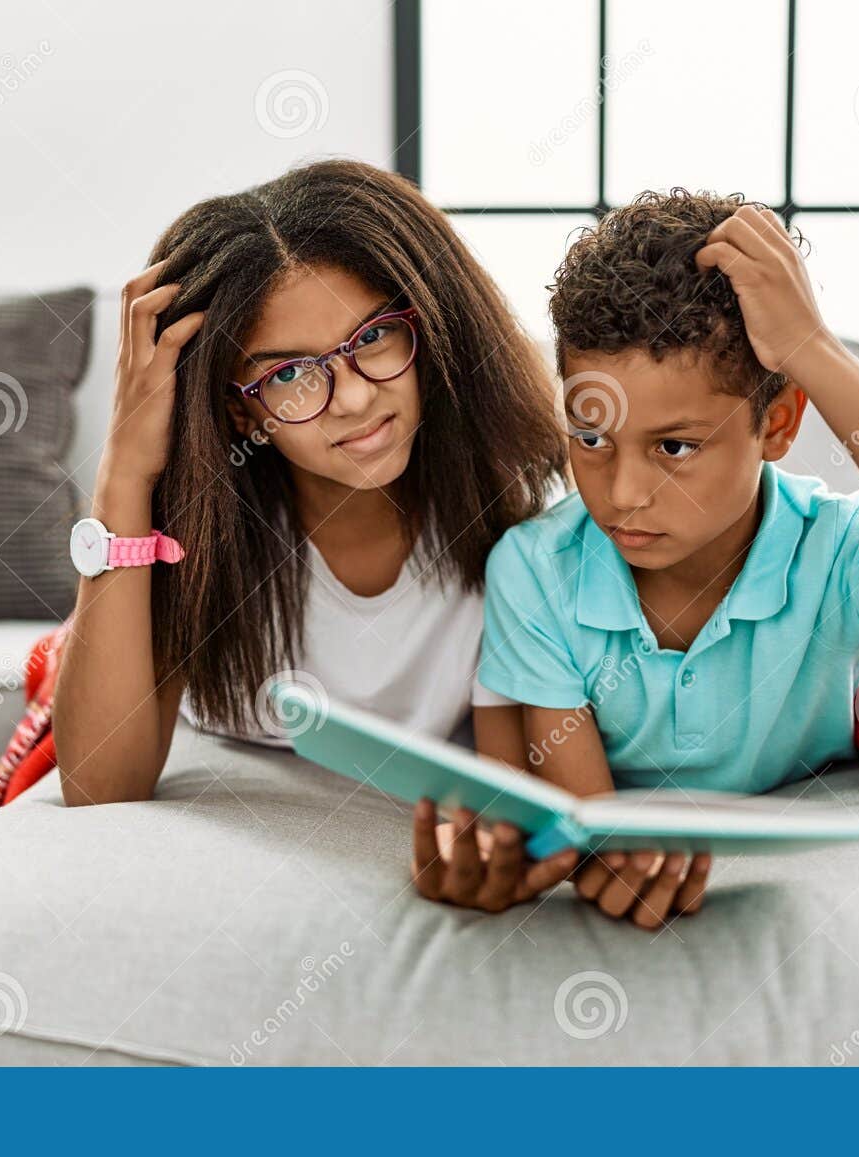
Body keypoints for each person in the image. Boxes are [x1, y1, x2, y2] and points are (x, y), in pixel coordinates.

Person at [425, 188, 859, 929]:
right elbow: (582, 821)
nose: (624, 493)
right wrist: (594, 857)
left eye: (675, 447)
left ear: (780, 423)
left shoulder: (832, 547)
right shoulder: (536, 568)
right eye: (591, 439)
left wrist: (813, 352)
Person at [52, 158, 575, 922]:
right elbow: (101, 785)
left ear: (430, 324)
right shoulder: (195, 525)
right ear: (240, 412)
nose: (356, 396)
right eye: (292, 374)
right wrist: (124, 473)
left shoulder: (527, 508)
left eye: (376, 336)